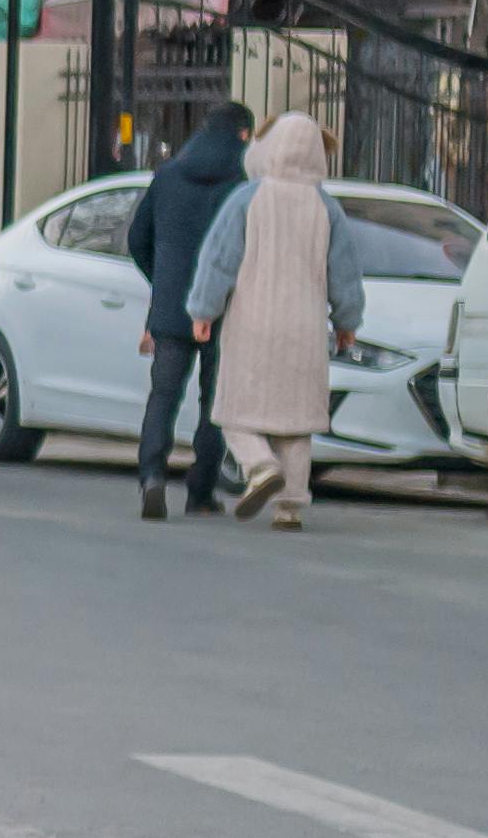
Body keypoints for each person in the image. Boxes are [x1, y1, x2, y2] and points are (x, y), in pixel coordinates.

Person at [185, 109, 361, 532]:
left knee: (236, 411)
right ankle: (290, 506)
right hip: (305, 327)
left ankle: (259, 467)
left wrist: (203, 310)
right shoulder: (327, 208)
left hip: (253, 321)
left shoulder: (248, 198)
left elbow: (219, 260)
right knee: (296, 421)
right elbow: (345, 273)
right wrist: (347, 322)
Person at [127, 101, 250, 519]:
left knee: (163, 395)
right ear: (244, 136)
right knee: (214, 401)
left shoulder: (168, 176)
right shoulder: (243, 184)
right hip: (224, 309)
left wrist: (161, 280)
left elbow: (136, 238)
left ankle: (152, 477)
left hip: (171, 308)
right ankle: (200, 491)